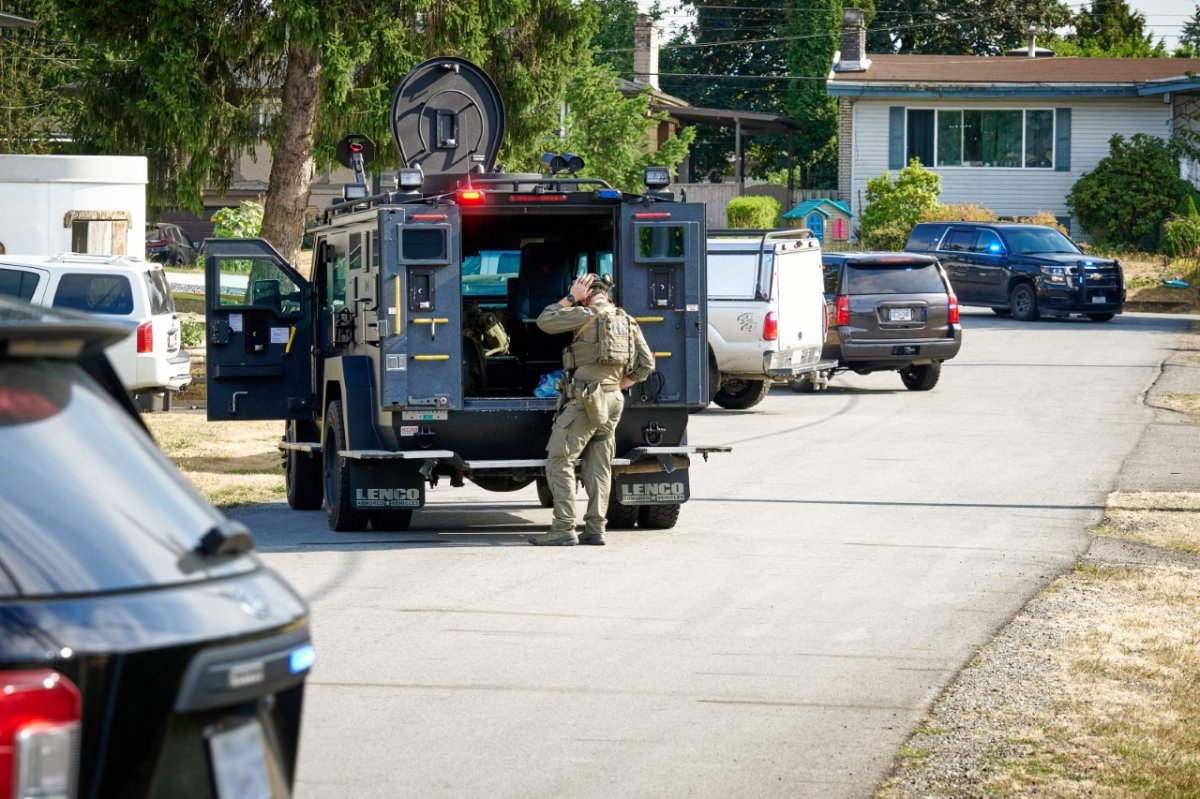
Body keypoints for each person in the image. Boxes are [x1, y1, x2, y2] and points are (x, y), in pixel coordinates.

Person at [530, 272, 654, 546]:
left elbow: (544, 320)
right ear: (608, 293)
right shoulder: (627, 320)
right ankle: (595, 528)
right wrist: (617, 384)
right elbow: (647, 365)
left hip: (587, 400)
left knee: (560, 460)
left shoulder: (584, 314)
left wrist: (571, 297)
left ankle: (563, 527)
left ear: (587, 293)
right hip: (613, 401)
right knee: (599, 465)